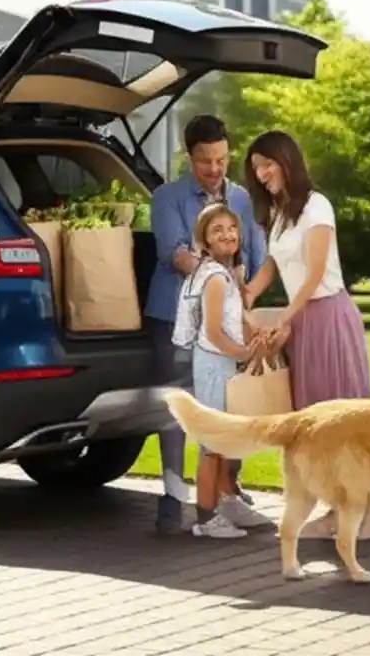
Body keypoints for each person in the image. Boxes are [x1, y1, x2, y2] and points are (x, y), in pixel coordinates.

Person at [239, 130, 370, 541]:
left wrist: (284, 317)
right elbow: (274, 262)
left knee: (343, 418)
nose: (262, 174)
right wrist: (248, 292)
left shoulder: (316, 206)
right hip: (305, 320)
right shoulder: (280, 213)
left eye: (268, 164)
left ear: (287, 161)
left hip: (328, 317)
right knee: (317, 420)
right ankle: (341, 510)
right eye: (257, 168)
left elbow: (316, 271)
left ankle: (369, 515)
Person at [147, 114, 267, 535]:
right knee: (179, 409)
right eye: (204, 161)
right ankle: (173, 497)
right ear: (189, 157)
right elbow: (174, 253)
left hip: (226, 324)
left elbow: (255, 255)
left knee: (229, 408)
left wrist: (244, 299)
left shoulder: (242, 199)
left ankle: (227, 495)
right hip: (174, 319)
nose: (215, 169)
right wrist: (218, 274)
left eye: (221, 159)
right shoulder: (167, 197)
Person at [172, 203, 271, 537]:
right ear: (205, 242)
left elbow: (233, 321)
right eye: (218, 230)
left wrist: (253, 336)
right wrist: (243, 353)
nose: (228, 234)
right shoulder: (215, 278)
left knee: (223, 438)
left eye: (232, 228)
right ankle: (205, 518)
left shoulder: (223, 273)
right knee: (212, 442)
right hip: (214, 365)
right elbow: (213, 332)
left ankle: (223, 503)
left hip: (220, 363)